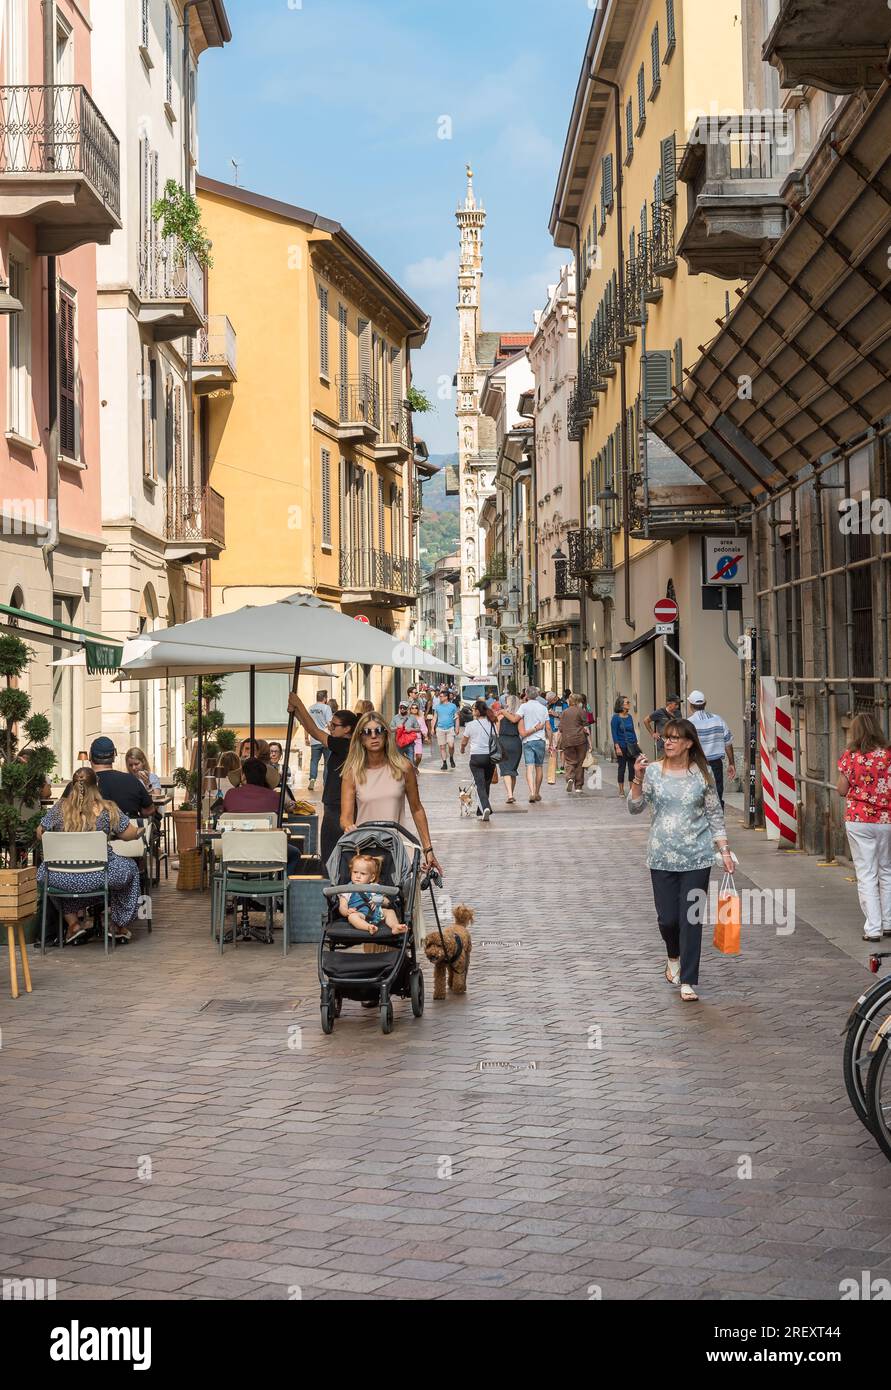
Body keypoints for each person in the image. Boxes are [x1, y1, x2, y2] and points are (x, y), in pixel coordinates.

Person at [628, 718, 736, 1002]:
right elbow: (635, 808)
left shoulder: (703, 775)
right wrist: (637, 778)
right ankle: (672, 956)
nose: (669, 742)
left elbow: (715, 815)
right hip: (661, 855)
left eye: (675, 738)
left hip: (697, 857)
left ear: (689, 743)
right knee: (667, 919)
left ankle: (688, 979)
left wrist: (724, 851)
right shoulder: (652, 771)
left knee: (691, 918)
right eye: (666, 738)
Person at [37, 768, 142, 944]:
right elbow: (128, 834)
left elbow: (40, 833)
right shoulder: (107, 809)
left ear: (72, 785)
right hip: (100, 877)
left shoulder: (59, 808)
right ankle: (116, 924)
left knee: (48, 871)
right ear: (97, 785)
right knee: (130, 867)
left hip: (61, 878)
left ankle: (73, 925)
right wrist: (139, 832)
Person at [340, 712, 443, 881]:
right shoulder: (352, 773)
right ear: (360, 738)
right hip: (365, 849)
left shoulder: (403, 767)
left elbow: (417, 808)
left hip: (398, 847)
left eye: (378, 731)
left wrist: (428, 849)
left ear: (386, 734)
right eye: (367, 732)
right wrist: (348, 827)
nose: (373, 736)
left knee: (400, 901)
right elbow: (345, 817)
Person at [837, 712, 891, 941]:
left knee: (866, 873)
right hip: (885, 820)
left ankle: (873, 928)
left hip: (858, 820)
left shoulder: (850, 757)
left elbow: (841, 789)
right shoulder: (888, 756)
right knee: (886, 870)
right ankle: (889, 922)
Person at [287, 695, 358, 863]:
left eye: (334, 725)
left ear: (347, 729)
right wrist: (296, 713)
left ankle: (330, 885)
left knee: (330, 853)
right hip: (334, 804)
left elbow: (315, 732)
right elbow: (313, 728)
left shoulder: (344, 745)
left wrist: (299, 704)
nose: (330, 727)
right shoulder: (347, 744)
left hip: (337, 806)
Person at [73, 737, 155, 822]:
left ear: (90, 756)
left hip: (88, 833)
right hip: (128, 832)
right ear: (114, 756)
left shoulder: (77, 784)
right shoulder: (131, 780)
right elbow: (149, 811)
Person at [686, 691, 736, 809]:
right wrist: (731, 763)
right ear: (705, 703)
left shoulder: (689, 723)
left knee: (696, 796)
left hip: (696, 763)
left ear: (691, 705)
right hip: (715, 764)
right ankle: (717, 823)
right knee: (716, 795)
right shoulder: (718, 720)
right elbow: (728, 742)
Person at [338, 853, 407, 936]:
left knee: (390, 912)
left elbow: (387, 902)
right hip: (360, 914)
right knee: (352, 917)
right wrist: (346, 911)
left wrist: (379, 900)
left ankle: (395, 926)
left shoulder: (375, 887)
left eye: (363, 874)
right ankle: (368, 927)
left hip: (377, 913)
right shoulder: (348, 889)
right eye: (355, 872)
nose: (358, 876)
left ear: (372, 877)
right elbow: (342, 905)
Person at [460, 698, 499, 820]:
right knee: (486, 784)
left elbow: (464, 741)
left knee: (479, 785)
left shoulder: (470, 725)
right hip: (490, 757)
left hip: (476, 757)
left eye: (473, 709)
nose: (472, 711)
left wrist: (462, 749)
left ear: (477, 711)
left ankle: (485, 807)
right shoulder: (492, 723)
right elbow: (496, 738)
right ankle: (480, 810)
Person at [516, 686, 550, 804]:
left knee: (529, 767)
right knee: (539, 767)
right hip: (540, 740)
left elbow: (516, 718)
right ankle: (537, 792)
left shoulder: (523, 707)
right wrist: (551, 742)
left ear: (526, 695)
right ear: (537, 695)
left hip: (527, 740)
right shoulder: (543, 708)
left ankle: (531, 792)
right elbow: (548, 727)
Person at [558, 695, 591, 793]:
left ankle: (570, 778)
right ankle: (578, 786)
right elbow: (586, 727)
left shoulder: (564, 712)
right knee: (580, 763)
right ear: (578, 701)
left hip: (567, 740)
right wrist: (590, 743)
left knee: (570, 761)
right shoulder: (581, 711)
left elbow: (560, 728)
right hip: (580, 740)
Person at [610, 696, 641, 798]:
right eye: (627, 702)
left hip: (631, 745)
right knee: (622, 768)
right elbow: (614, 733)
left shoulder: (630, 717)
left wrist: (636, 743)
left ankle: (632, 791)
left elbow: (632, 731)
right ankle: (621, 790)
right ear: (621, 705)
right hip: (622, 746)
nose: (629, 704)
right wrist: (617, 747)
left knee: (632, 768)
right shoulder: (615, 718)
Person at [497, 696, 523, 804]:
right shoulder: (519, 717)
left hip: (503, 741)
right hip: (516, 743)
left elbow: (497, 730)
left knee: (505, 770)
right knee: (512, 770)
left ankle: (510, 795)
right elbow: (521, 732)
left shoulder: (501, 715)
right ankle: (511, 793)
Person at [306, 691, 333, 790]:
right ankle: (326, 783)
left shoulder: (310, 708)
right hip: (325, 738)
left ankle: (312, 779)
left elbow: (307, 724)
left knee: (314, 761)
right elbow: (329, 724)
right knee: (327, 762)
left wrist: (306, 737)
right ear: (325, 698)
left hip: (314, 738)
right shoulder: (327, 708)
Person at [432, 686, 459, 771]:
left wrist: (457, 728)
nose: (440, 697)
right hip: (440, 729)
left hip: (450, 728)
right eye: (439, 696)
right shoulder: (437, 707)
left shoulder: (453, 706)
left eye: (441, 696)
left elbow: (457, 717)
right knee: (442, 747)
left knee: (451, 745)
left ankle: (451, 757)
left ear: (446, 697)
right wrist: (432, 728)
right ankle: (444, 763)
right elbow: (435, 717)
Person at [408, 700, 427, 767]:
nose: (414, 709)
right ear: (410, 709)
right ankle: (413, 769)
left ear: (418, 709)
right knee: (410, 757)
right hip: (409, 740)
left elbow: (424, 727)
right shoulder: (407, 718)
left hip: (418, 739)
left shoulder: (421, 718)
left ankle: (415, 767)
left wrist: (425, 735)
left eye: (416, 708)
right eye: (412, 708)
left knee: (419, 756)